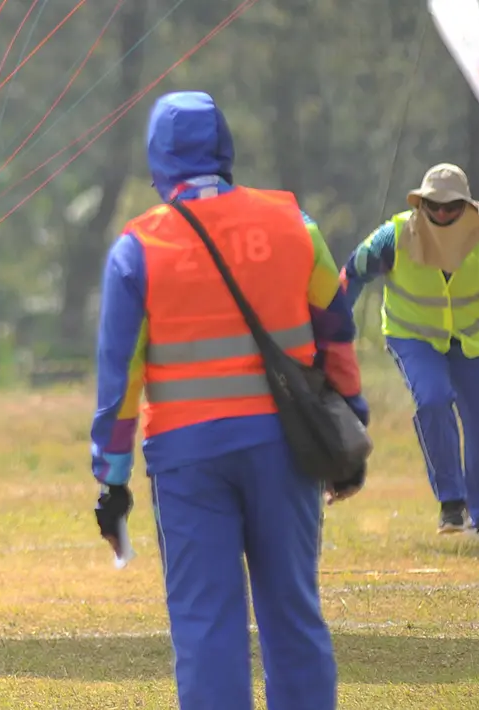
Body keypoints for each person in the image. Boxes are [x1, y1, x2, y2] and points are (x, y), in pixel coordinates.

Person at [88, 90, 368, 710]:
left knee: (206, 624)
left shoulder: (137, 250)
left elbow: (120, 379)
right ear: (226, 150)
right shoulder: (297, 225)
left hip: (187, 457)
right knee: (293, 614)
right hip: (286, 447)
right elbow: (336, 331)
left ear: (157, 159)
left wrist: (111, 477)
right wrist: (353, 420)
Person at [340, 163, 479, 540]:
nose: (441, 213)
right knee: (433, 399)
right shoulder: (393, 237)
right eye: (433, 206)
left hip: (470, 342)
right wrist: (334, 329)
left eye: (451, 206)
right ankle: (451, 503)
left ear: (467, 207)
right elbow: (352, 273)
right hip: (413, 336)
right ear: (420, 204)